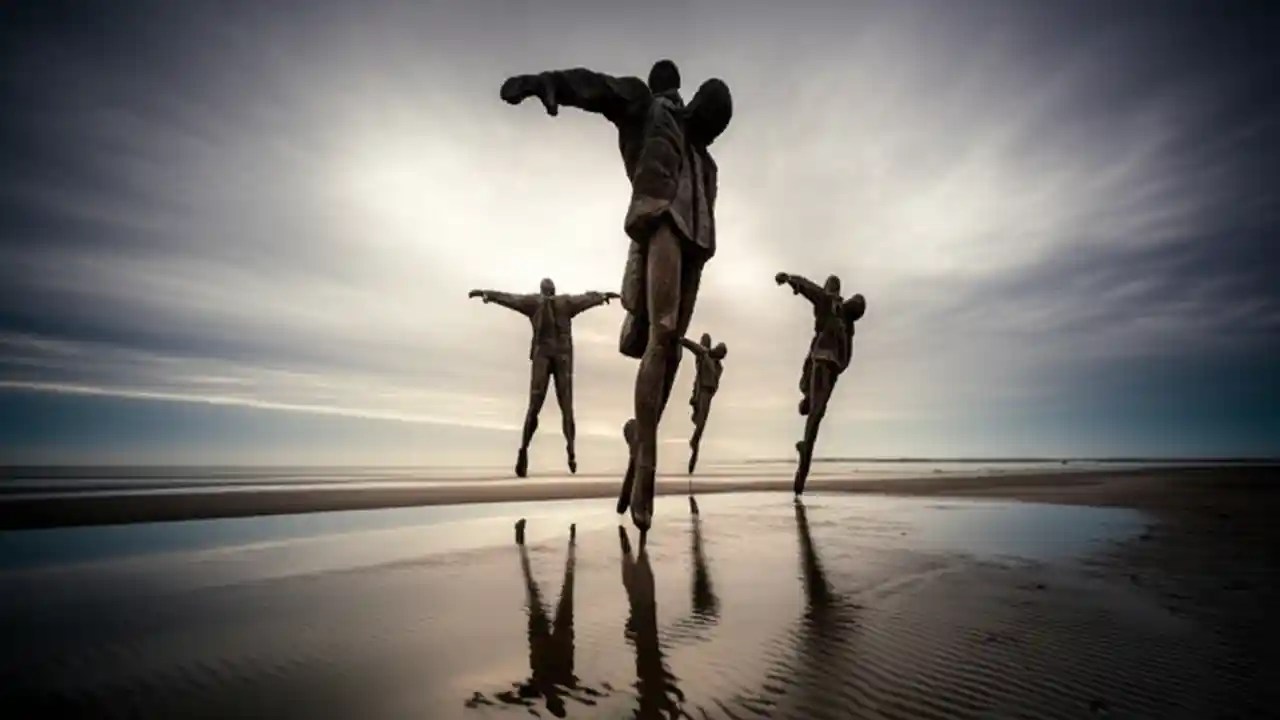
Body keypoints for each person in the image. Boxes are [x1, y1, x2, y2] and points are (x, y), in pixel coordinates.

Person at [501, 59, 732, 532]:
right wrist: (544, 83)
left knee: (668, 359)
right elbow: (600, 89)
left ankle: (637, 445)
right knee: (663, 334)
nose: (713, 125)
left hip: (697, 246)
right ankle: (646, 471)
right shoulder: (650, 107)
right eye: (712, 110)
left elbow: (705, 195)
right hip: (661, 223)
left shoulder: (706, 160)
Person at [469, 279, 618, 477]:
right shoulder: (564, 302)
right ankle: (567, 449)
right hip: (560, 356)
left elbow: (511, 299)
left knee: (538, 407)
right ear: (554, 290)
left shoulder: (539, 302)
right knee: (562, 407)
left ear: (542, 290)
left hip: (546, 355)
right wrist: (601, 296)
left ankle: (527, 449)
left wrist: (487, 294)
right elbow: (585, 299)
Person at [774, 272, 867, 494]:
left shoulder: (830, 303)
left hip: (822, 360)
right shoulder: (845, 318)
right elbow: (847, 352)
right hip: (832, 366)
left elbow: (810, 289)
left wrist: (790, 280)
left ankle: (806, 441)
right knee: (818, 411)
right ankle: (807, 443)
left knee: (815, 408)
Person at [680, 333, 727, 476]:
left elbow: (715, 381)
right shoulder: (705, 355)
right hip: (703, 391)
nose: (720, 354)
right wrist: (682, 340)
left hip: (707, 393)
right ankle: (694, 445)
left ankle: (694, 446)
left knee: (700, 423)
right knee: (700, 422)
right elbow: (695, 347)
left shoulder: (717, 365)